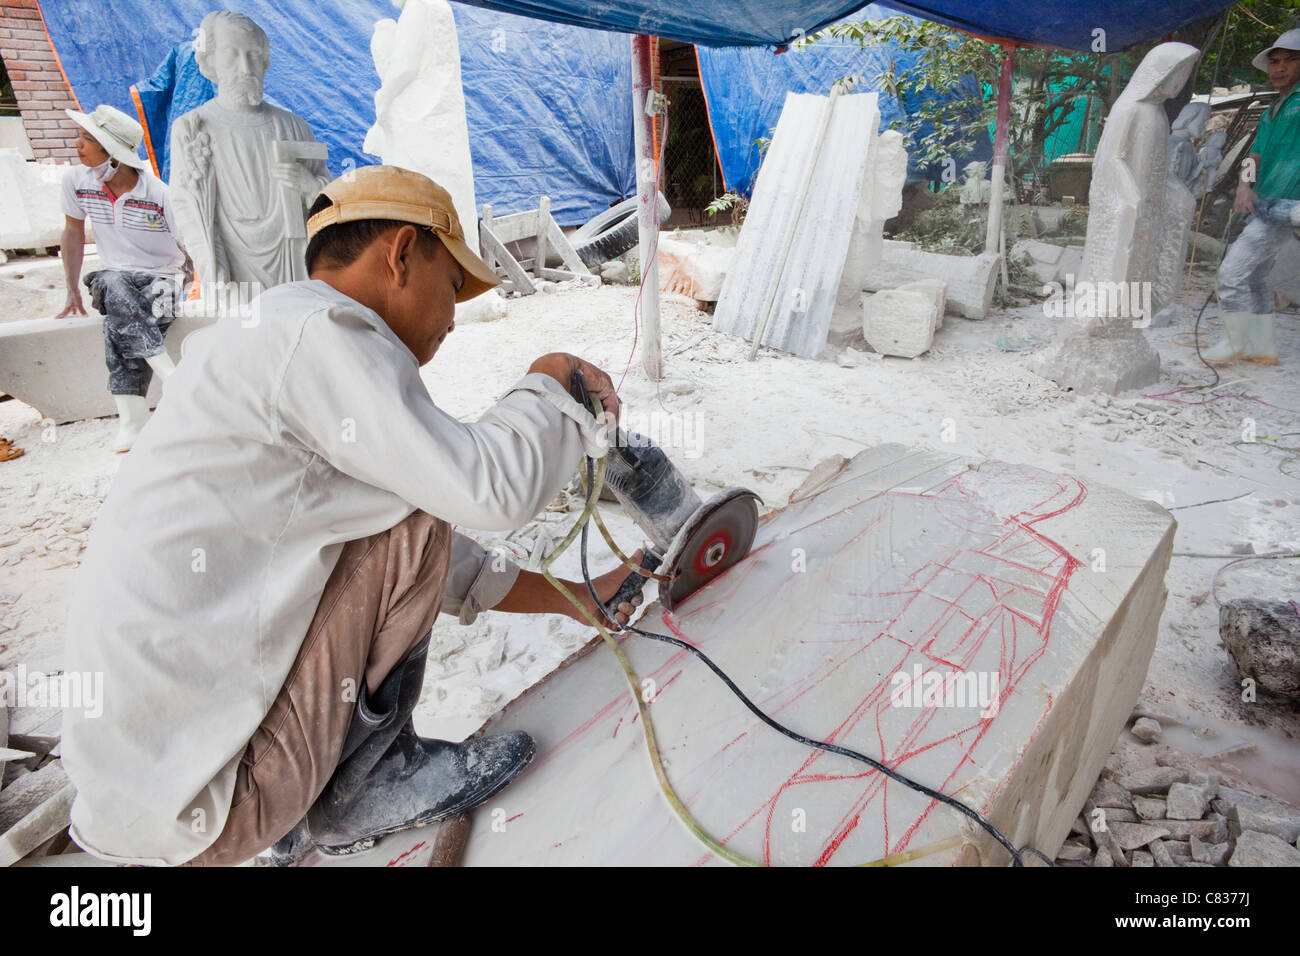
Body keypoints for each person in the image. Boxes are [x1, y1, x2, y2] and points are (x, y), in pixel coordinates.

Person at [60, 166, 646, 866]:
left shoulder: (264, 338)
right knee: (419, 506)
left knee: (407, 509)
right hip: (215, 800)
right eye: (451, 286)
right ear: (400, 253)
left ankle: (324, 792)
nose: (452, 318)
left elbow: (419, 567)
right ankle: (364, 785)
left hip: (153, 800)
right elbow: (486, 493)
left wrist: (575, 599)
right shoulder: (321, 333)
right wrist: (550, 379)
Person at [169, 10, 331, 294]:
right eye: (232, 54)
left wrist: (310, 187)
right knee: (246, 332)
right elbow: (187, 206)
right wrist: (209, 264)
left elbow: (331, 197)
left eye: (254, 54)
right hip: (232, 266)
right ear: (210, 60)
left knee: (295, 330)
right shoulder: (193, 129)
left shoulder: (293, 127)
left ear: (265, 61)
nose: (245, 67)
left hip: (293, 259)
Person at [57, 105, 187, 452]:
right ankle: (171, 375)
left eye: (87, 139)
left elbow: (191, 246)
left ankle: (133, 421)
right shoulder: (76, 181)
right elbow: (71, 233)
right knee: (114, 284)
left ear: (113, 154)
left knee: (119, 320)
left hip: (163, 280)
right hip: (112, 276)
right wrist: (71, 290)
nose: (78, 144)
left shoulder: (159, 194)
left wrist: (202, 283)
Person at [1206, 28, 1300, 364]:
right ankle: (1264, 348)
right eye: (1275, 61)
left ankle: (1235, 342)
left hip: (1288, 204)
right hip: (1267, 203)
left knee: (1230, 275)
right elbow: (1254, 157)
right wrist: (1245, 186)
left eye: (1291, 59)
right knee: (1258, 276)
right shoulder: (1271, 110)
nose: (1280, 67)